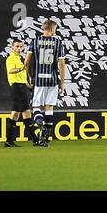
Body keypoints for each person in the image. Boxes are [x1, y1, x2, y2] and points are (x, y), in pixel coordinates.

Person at [29, 18, 66, 147]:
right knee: (49, 107)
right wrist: (62, 82)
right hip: (53, 79)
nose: (55, 32)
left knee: (36, 107)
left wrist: (29, 76)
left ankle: (40, 125)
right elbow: (61, 63)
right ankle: (46, 138)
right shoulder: (57, 42)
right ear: (51, 30)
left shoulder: (34, 41)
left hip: (39, 79)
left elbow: (27, 61)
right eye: (54, 30)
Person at [3, 39, 31, 147]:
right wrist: (21, 68)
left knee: (16, 113)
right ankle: (35, 139)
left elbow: (21, 76)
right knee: (23, 112)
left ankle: (8, 140)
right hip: (17, 87)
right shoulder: (11, 59)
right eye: (17, 46)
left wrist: (27, 85)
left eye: (21, 47)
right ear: (12, 47)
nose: (19, 49)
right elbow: (11, 70)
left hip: (22, 87)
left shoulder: (20, 58)